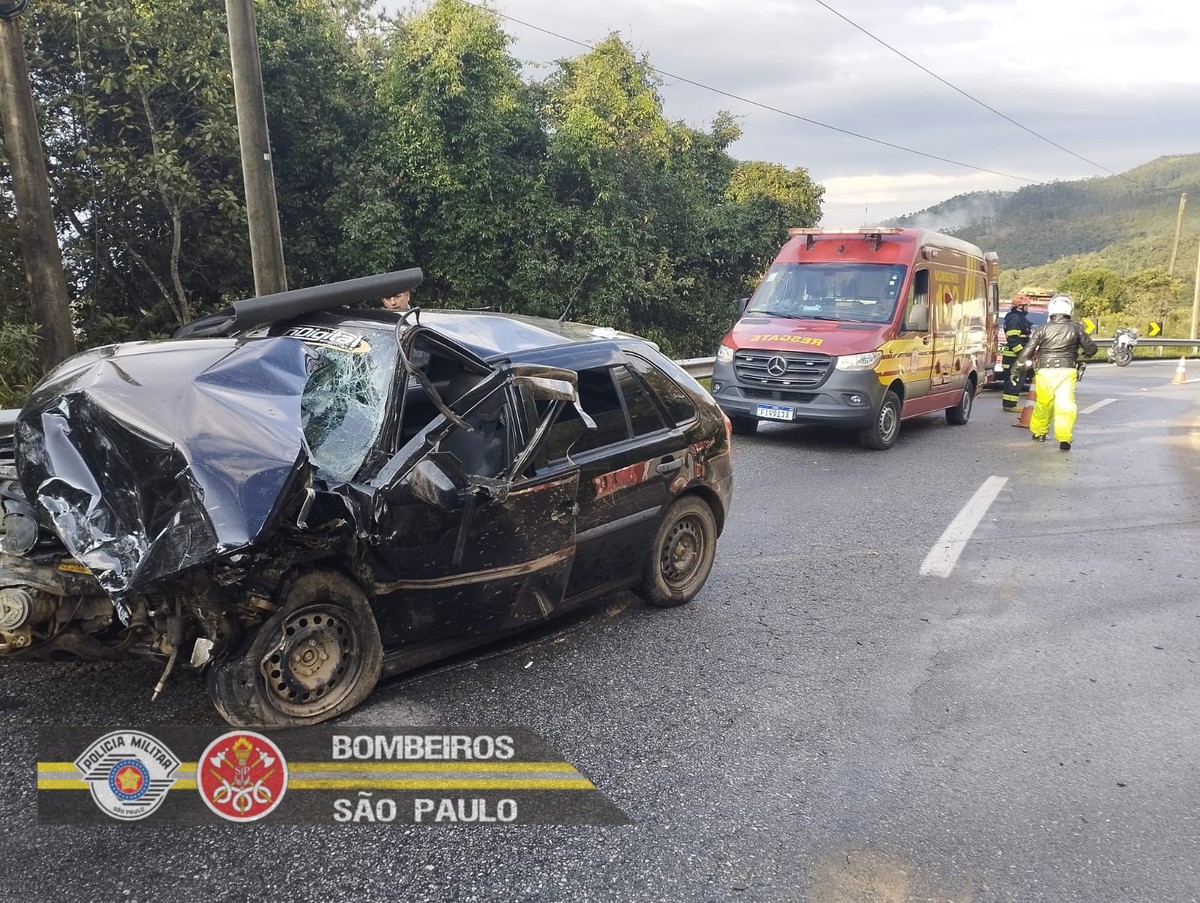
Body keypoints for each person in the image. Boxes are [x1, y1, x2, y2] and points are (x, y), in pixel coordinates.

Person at [1014, 293, 1097, 451]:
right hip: (1067, 371)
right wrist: (1085, 354)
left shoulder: (1042, 329)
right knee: (1066, 405)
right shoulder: (1076, 328)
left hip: (1045, 371)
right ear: (1069, 309)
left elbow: (1028, 349)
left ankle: (1039, 433)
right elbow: (1091, 348)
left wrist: (1016, 368)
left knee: (1043, 404)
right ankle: (1064, 438)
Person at [1000, 296, 1033, 410]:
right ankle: (1010, 405)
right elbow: (1013, 339)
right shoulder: (1015, 318)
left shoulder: (1017, 317)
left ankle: (1010, 404)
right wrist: (1022, 354)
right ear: (1020, 306)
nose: (1027, 308)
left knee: (1015, 379)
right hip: (1015, 357)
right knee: (1015, 380)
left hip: (1016, 356)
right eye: (1026, 305)